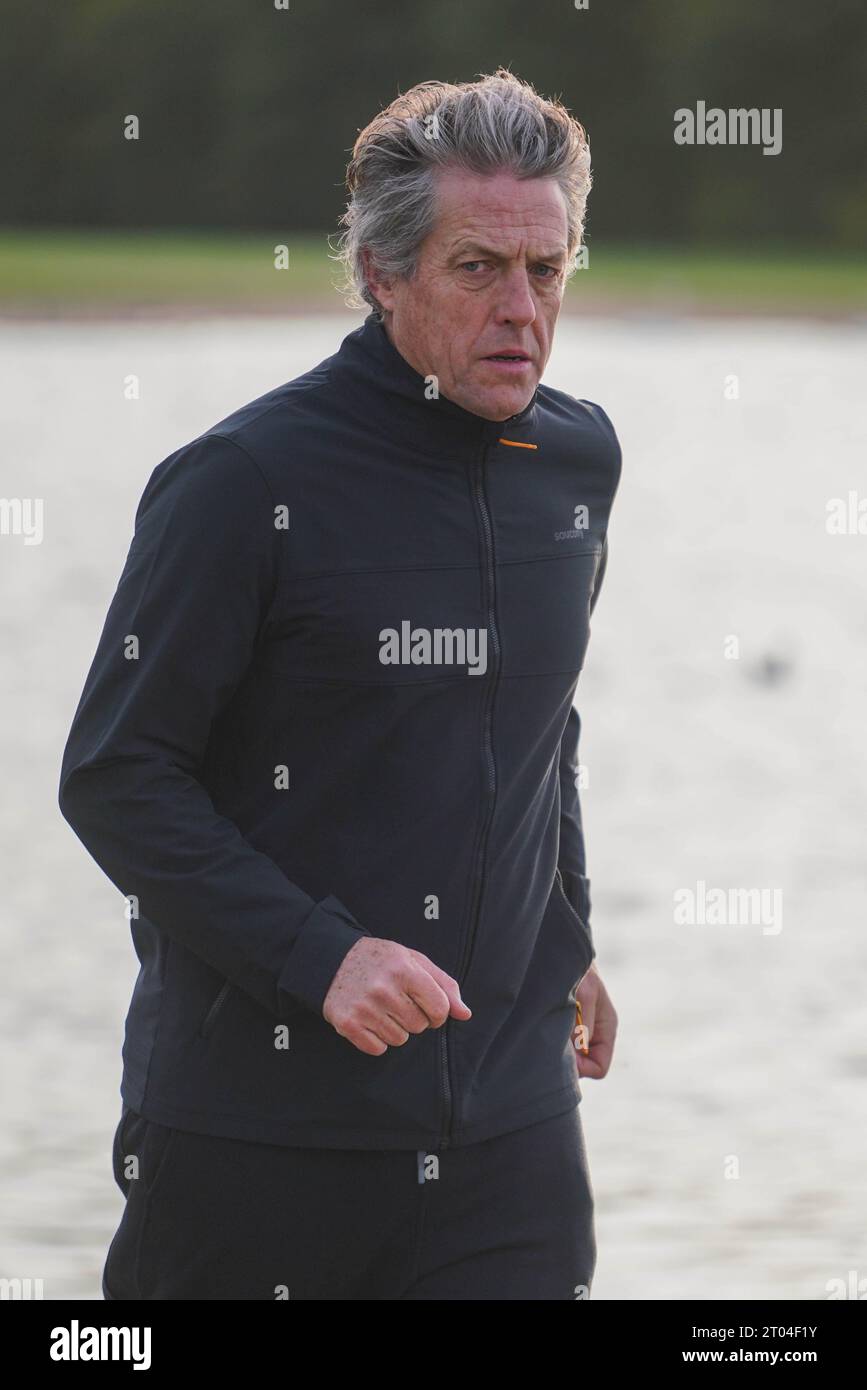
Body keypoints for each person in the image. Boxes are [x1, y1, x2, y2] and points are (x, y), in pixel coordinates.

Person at [58, 67, 622, 1300]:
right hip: (259, 1140)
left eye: (547, 270)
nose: (521, 309)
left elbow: (542, 721)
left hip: (510, 1136)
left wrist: (561, 931)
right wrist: (321, 958)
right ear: (381, 273)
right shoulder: (240, 482)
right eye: (478, 268)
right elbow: (115, 777)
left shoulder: (576, 459)